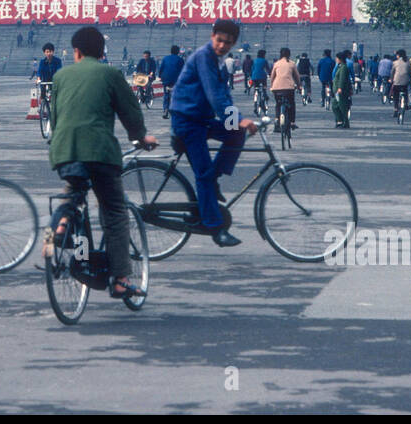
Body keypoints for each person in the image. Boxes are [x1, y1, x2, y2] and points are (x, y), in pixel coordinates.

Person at [47, 26, 157, 299]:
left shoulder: (60, 76)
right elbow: (130, 112)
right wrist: (141, 138)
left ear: (77, 51)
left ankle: (56, 234)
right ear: (101, 52)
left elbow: (56, 117)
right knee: (115, 212)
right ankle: (120, 279)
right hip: (99, 153)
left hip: (65, 151)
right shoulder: (110, 74)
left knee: (72, 197)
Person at [169, 19, 258, 247]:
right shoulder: (203, 56)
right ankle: (215, 228)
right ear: (212, 36)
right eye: (219, 41)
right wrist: (237, 119)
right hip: (187, 121)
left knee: (236, 135)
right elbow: (214, 96)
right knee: (204, 174)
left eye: (227, 43)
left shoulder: (218, 59)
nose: (222, 46)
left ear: (234, 43)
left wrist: (239, 122)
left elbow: (224, 94)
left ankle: (213, 183)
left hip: (202, 120)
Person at [269, 47, 298, 131]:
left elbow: (272, 77)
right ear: (289, 54)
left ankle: (277, 120)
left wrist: (272, 86)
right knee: (291, 104)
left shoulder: (276, 63)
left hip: (276, 88)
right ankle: (292, 122)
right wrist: (299, 86)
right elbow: (297, 77)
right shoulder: (292, 64)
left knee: (278, 104)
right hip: (289, 88)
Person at [158, 44, 184, 119]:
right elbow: (183, 71)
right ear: (178, 52)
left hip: (166, 79)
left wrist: (160, 76)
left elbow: (161, 68)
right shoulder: (180, 59)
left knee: (166, 95)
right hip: (175, 80)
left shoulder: (165, 58)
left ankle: (165, 109)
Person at [331, 50, 353, 128]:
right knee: (337, 106)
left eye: (337, 58)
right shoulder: (341, 67)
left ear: (340, 59)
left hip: (341, 91)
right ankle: (341, 121)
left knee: (341, 106)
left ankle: (344, 122)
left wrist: (340, 88)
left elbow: (342, 79)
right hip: (338, 90)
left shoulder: (344, 68)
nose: (336, 59)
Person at [390, 49, 411, 116]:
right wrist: (410, 79)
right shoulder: (408, 62)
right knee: (405, 92)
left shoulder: (395, 62)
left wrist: (391, 79)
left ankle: (396, 109)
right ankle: (406, 104)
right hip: (405, 82)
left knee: (396, 96)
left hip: (397, 82)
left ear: (398, 55)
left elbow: (392, 72)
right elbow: (410, 72)